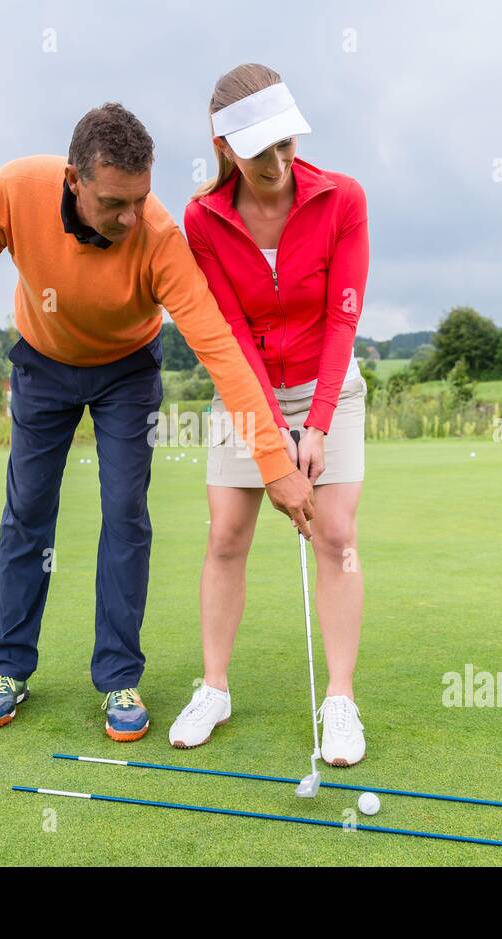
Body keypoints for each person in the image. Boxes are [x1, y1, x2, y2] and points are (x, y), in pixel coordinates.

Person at [0, 103, 315, 742]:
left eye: (141, 198)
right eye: (114, 203)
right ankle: (10, 668)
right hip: (42, 365)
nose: (131, 218)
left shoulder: (158, 236)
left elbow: (220, 352)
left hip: (128, 372)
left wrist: (274, 465)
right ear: (74, 180)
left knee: (125, 513)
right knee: (27, 512)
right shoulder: (14, 189)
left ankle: (119, 676)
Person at [167, 65, 370, 766]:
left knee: (335, 531)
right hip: (246, 389)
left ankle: (339, 699)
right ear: (224, 147)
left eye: (287, 144)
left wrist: (313, 425)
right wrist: (271, 440)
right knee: (226, 534)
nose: (278, 164)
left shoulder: (343, 198)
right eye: (260, 152)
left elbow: (343, 320)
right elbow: (224, 331)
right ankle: (215, 688)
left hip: (329, 383)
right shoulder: (202, 220)